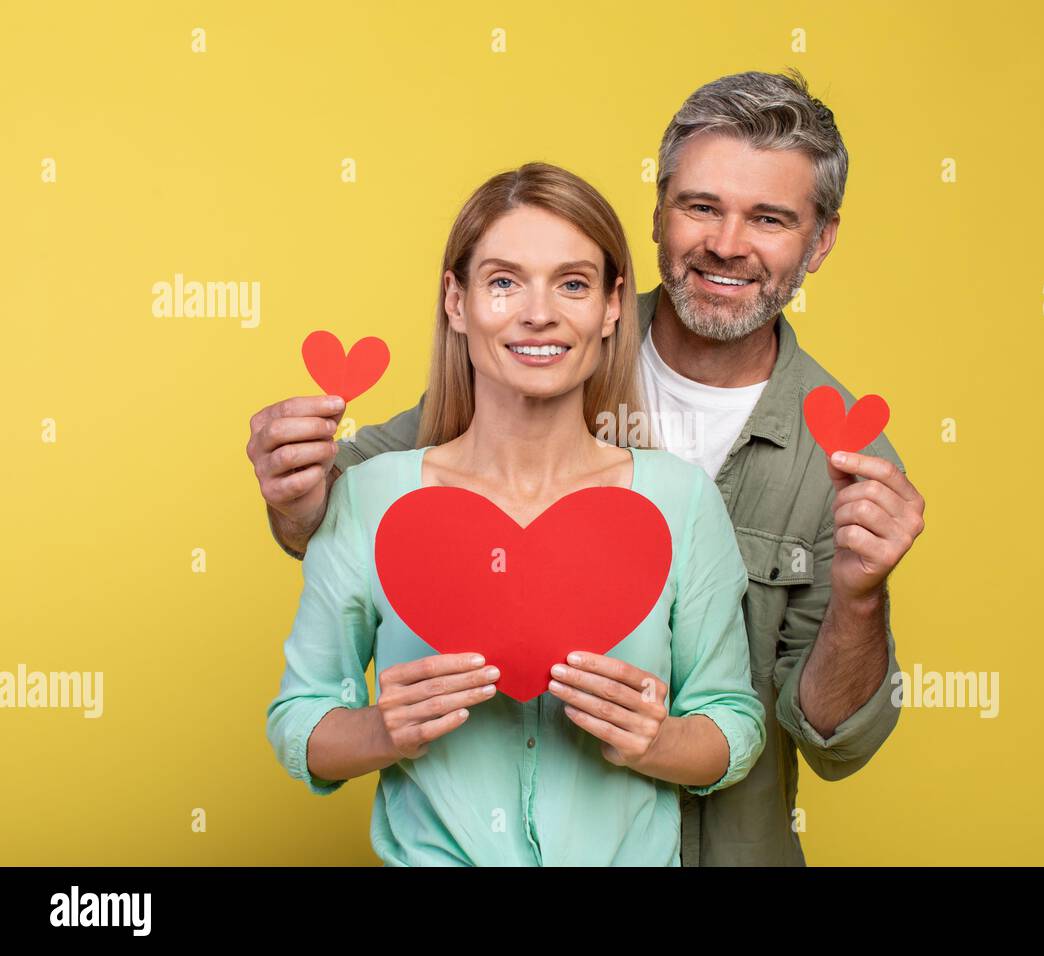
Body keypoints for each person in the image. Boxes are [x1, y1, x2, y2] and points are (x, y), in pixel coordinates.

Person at [249, 69, 926, 866]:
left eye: (769, 218)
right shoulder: (534, 354)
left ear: (820, 240)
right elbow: (351, 509)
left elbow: (830, 742)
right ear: (659, 213)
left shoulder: (841, 462)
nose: (727, 243)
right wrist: (295, 498)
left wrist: (859, 592)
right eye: (701, 205)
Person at [265, 163, 766, 866]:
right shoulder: (371, 496)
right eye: (503, 281)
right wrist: (387, 731)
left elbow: (732, 725)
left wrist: (655, 741)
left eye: (572, 283)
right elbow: (300, 719)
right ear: (457, 301)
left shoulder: (680, 503)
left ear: (612, 306)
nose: (539, 313)